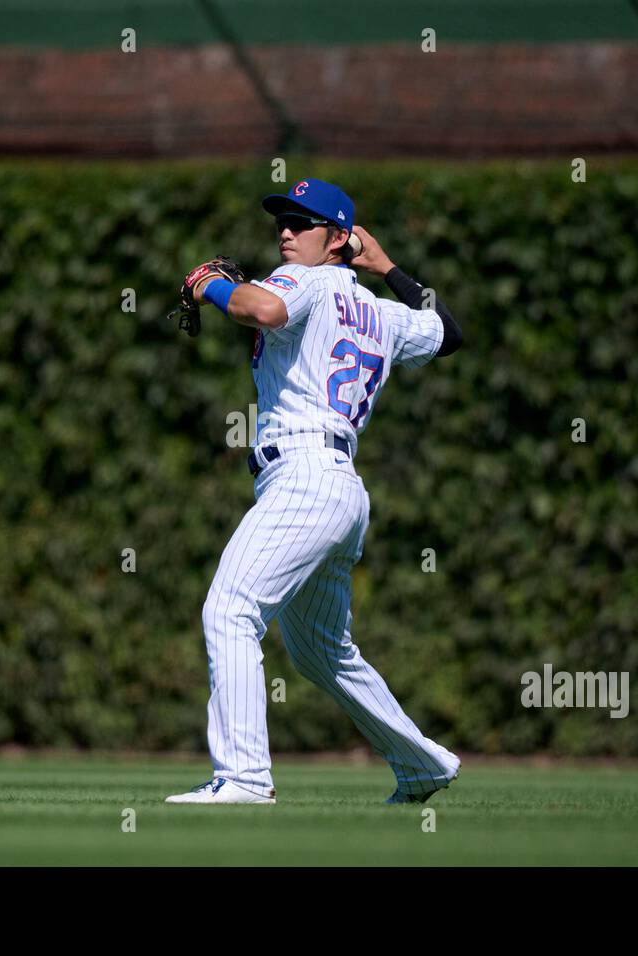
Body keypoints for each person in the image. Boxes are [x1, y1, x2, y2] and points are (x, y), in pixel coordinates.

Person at [166, 178, 464, 805]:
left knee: (230, 609)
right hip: (342, 489)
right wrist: (388, 269)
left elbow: (263, 310)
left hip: (302, 476)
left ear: (335, 241)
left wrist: (208, 284)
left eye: (304, 223)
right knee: (321, 651)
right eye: (284, 219)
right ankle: (424, 764)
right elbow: (450, 332)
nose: (286, 231)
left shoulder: (300, 280)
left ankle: (244, 779)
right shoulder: (382, 313)